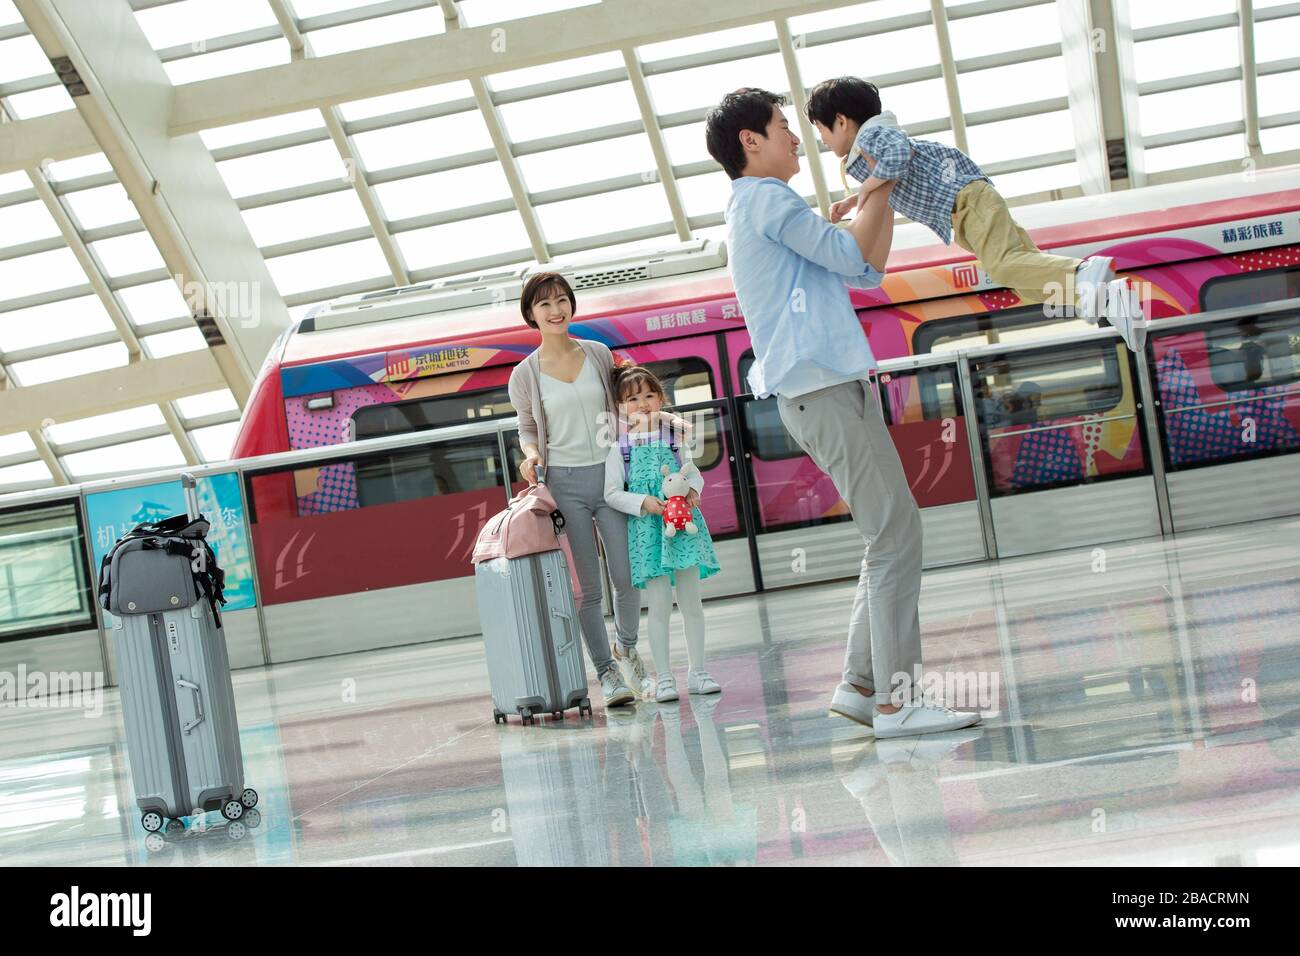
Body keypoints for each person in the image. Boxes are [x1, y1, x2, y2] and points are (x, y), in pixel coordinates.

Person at [704, 87, 980, 738]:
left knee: (886, 534)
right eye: (781, 128)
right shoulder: (766, 200)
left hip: (824, 389)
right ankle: (897, 701)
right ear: (751, 141)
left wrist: (874, 191)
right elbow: (857, 257)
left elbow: (866, 272)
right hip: (823, 389)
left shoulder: (762, 208)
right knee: (896, 534)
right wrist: (879, 178)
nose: (798, 140)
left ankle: (861, 687)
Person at [805, 76, 1146, 352]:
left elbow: (899, 154)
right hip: (967, 207)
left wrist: (863, 190)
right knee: (1020, 279)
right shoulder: (869, 148)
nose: (822, 140)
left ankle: (1086, 271)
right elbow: (891, 181)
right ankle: (1110, 298)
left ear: (841, 121)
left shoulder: (873, 137)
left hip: (967, 200)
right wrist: (854, 202)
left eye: (820, 130)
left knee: (1004, 264)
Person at [506, 272, 652, 708]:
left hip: (609, 477)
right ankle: (607, 673)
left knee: (626, 576)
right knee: (588, 587)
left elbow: (624, 406)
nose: (556, 311)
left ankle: (627, 646)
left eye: (562, 300)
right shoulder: (524, 374)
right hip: (563, 483)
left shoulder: (599, 354)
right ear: (531, 314)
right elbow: (527, 428)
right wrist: (529, 455)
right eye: (545, 304)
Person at [603, 362, 722, 703]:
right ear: (620, 409)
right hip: (648, 534)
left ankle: (698, 672)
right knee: (658, 607)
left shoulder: (674, 439)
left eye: (649, 395)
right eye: (633, 399)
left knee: (691, 603)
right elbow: (611, 493)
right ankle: (665, 678)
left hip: (682, 529)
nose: (642, 404)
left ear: (661, 399)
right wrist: (643, 502)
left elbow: (691, 473)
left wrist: (694, 490)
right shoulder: (619, 449)